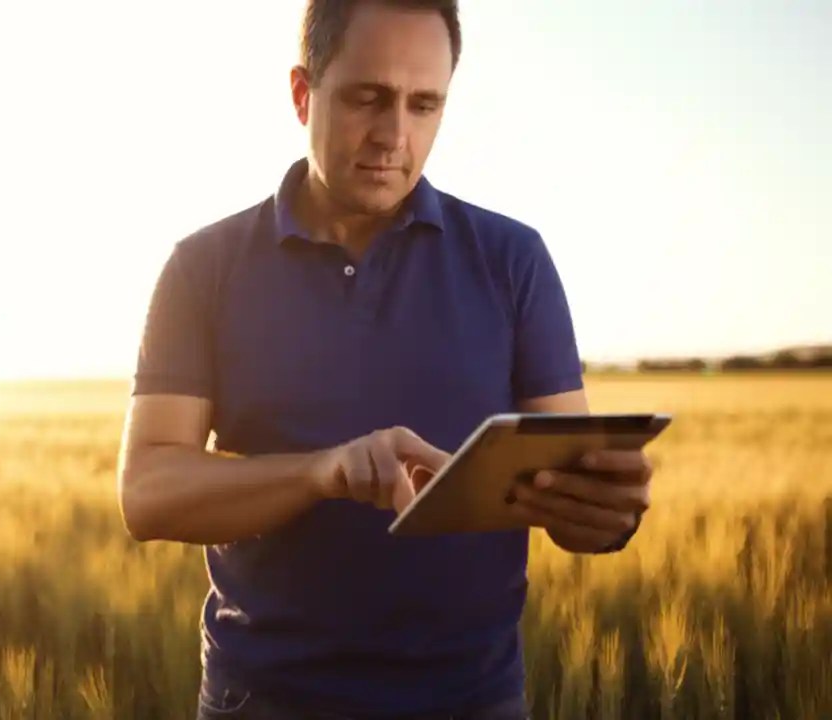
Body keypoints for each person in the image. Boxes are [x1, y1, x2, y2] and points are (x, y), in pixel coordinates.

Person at [116, 1, 655, 718]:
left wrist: (609, 513)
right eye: (367, 99)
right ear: (303, 93)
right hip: (265, 701)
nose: (395, 137)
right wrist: (323, 472)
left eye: (424, 105)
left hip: (474, 702)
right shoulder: (202, 268)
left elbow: (571, 497)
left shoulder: (512, 260)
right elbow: (147, 491)